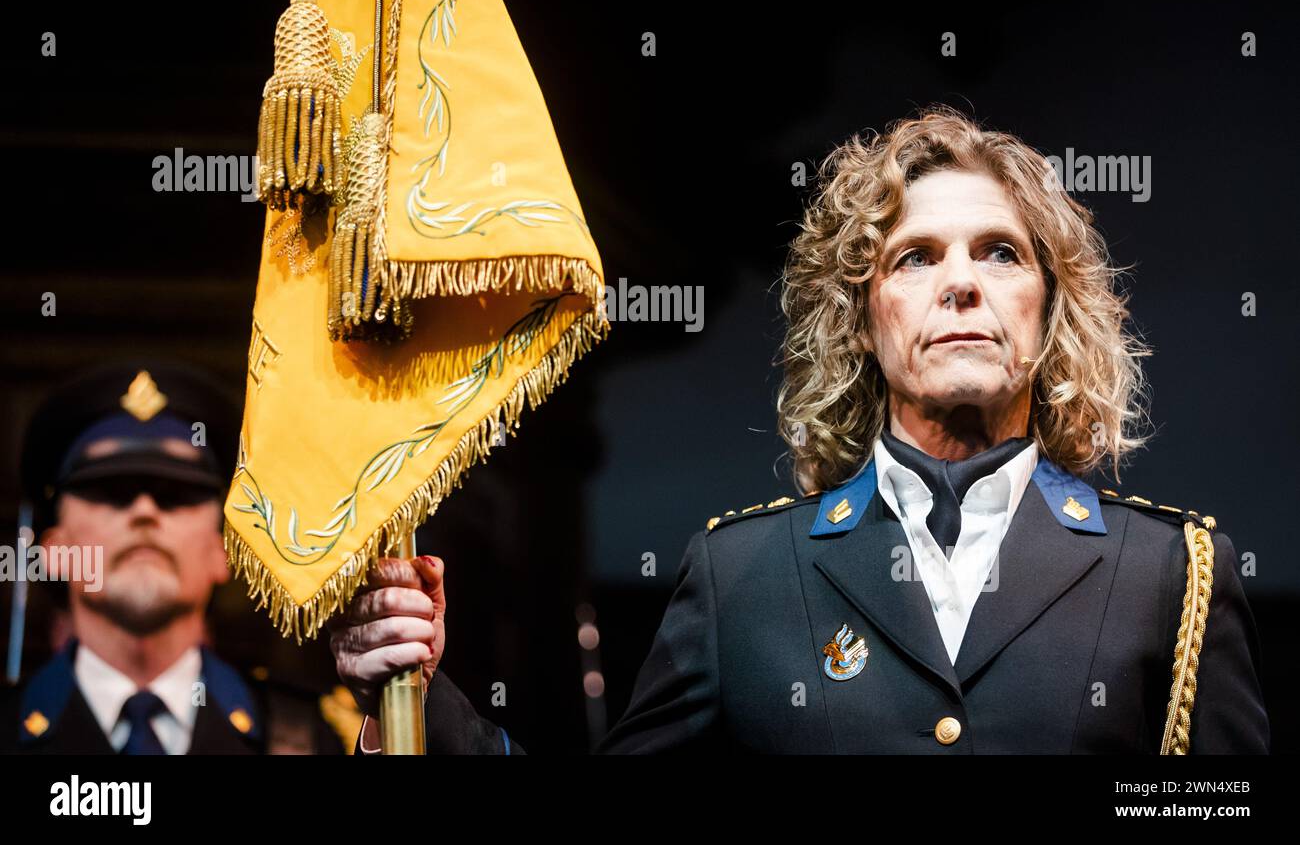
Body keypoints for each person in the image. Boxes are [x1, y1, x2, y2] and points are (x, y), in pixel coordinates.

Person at [330, 107, 1270, 754]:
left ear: (1049, 309)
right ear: (862, 322)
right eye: (915, 257)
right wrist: (418, 699)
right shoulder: (741, 576)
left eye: (1000, 253)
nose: (961, 282)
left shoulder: (1170, 576)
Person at [3, 361, 345, 754]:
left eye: (177, 495)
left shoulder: (310, 736)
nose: (145, 511)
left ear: (223, 551)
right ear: (54, 551)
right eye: (112, 493)